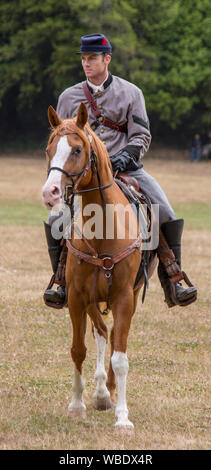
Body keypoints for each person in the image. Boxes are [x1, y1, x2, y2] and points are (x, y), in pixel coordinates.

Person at [44, 33, 197, 308]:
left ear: (107, 59)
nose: (86, 63)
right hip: (82, 175)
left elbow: (141, 136)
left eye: (92, 58)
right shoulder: (68, 97)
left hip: (127, 169)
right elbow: (62, 139)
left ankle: (172, 279)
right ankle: (61, 281)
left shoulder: (131, 93)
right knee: (57, 217)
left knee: (165, 211)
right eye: (83, 59)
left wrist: (122, 159)